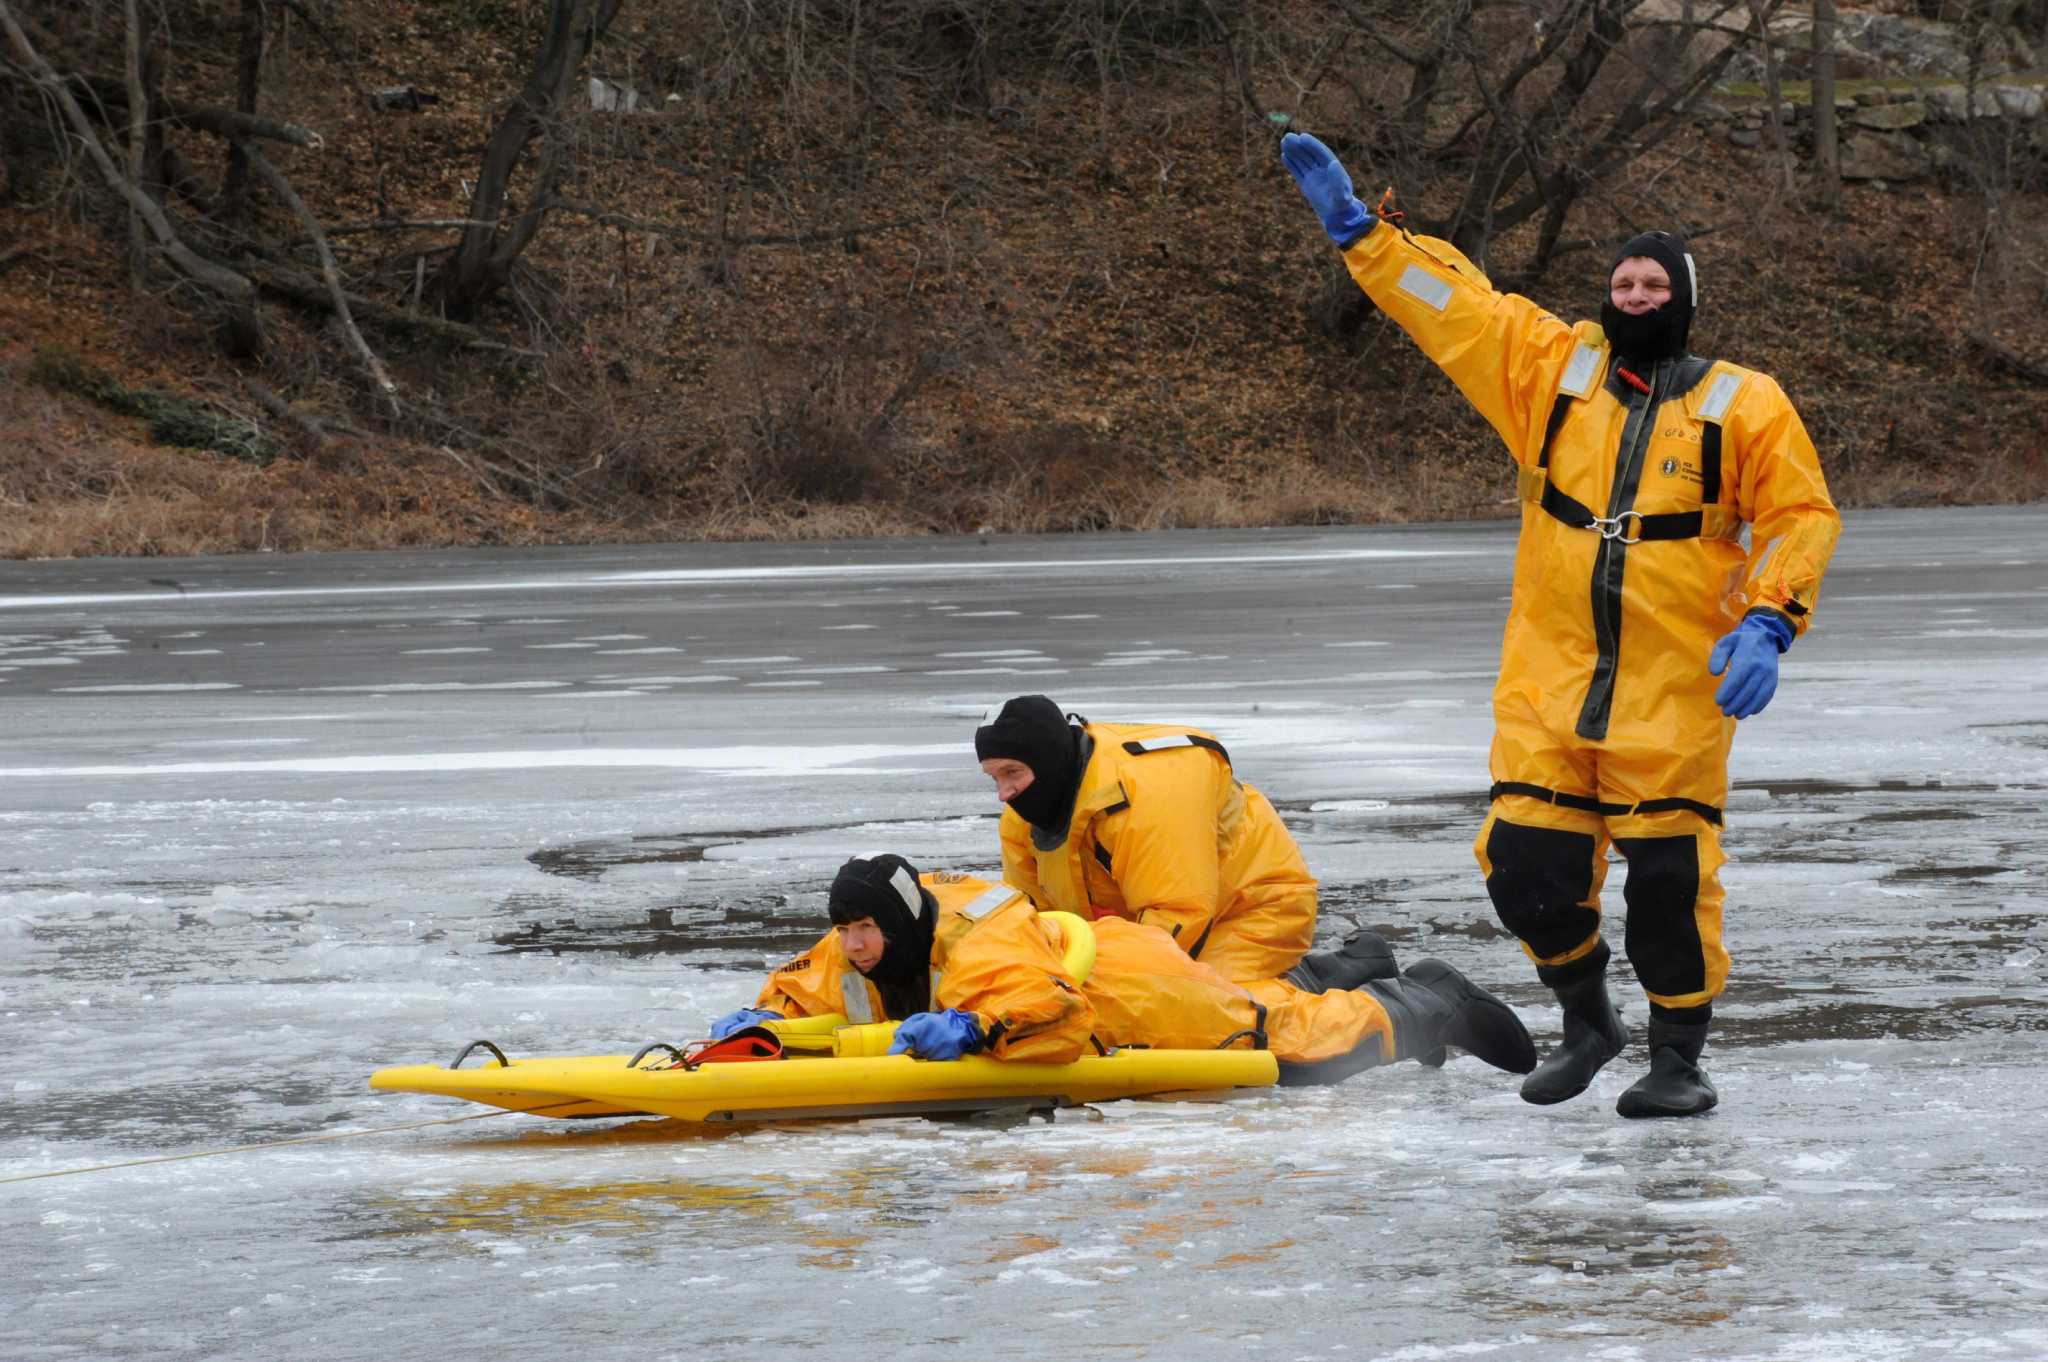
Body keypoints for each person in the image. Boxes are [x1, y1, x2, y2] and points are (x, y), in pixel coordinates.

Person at [1279, 132, 1840, 1118]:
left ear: (1683, 299)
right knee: (1523, 868)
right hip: (1550, 678)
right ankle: (1587, 1022)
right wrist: (1365, 236)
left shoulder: (1743, 403)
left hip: (1673, 688)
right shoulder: (1554, 372)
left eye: (1653, 284)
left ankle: (1677, 1059)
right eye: (1622, 282)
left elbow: (1799, 515)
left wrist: (1768, 618)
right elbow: (1459, 309)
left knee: (1667, 886)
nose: (1635, 295)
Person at [707, 853, 1536, 1085]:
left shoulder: (979, 943)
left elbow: (1053, 1020)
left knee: (1281, 1046)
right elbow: (803, 983)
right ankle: (1346, 965)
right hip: (1104, 961)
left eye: (864, 931)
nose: (853, 946)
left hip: (1131, 988)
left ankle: (1425, 998)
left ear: (895, 922)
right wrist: (766, 1021)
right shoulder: (859, 938)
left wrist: (975, 1028)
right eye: (845, 932)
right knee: (1252, 1001)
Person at [973, 694, 1390, 993]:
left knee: (1210, 1013)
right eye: (995, 777)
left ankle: (1389, 999)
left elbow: (1177, 913)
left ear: (1049, 761)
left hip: (1252, 909)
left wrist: (1104, 984)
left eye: (1012, 772)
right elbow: (1033, 920)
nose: (1004, 793)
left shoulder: (1145, 796)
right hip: (1144, 926)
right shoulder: (1024, 816)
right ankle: (1332, 972)